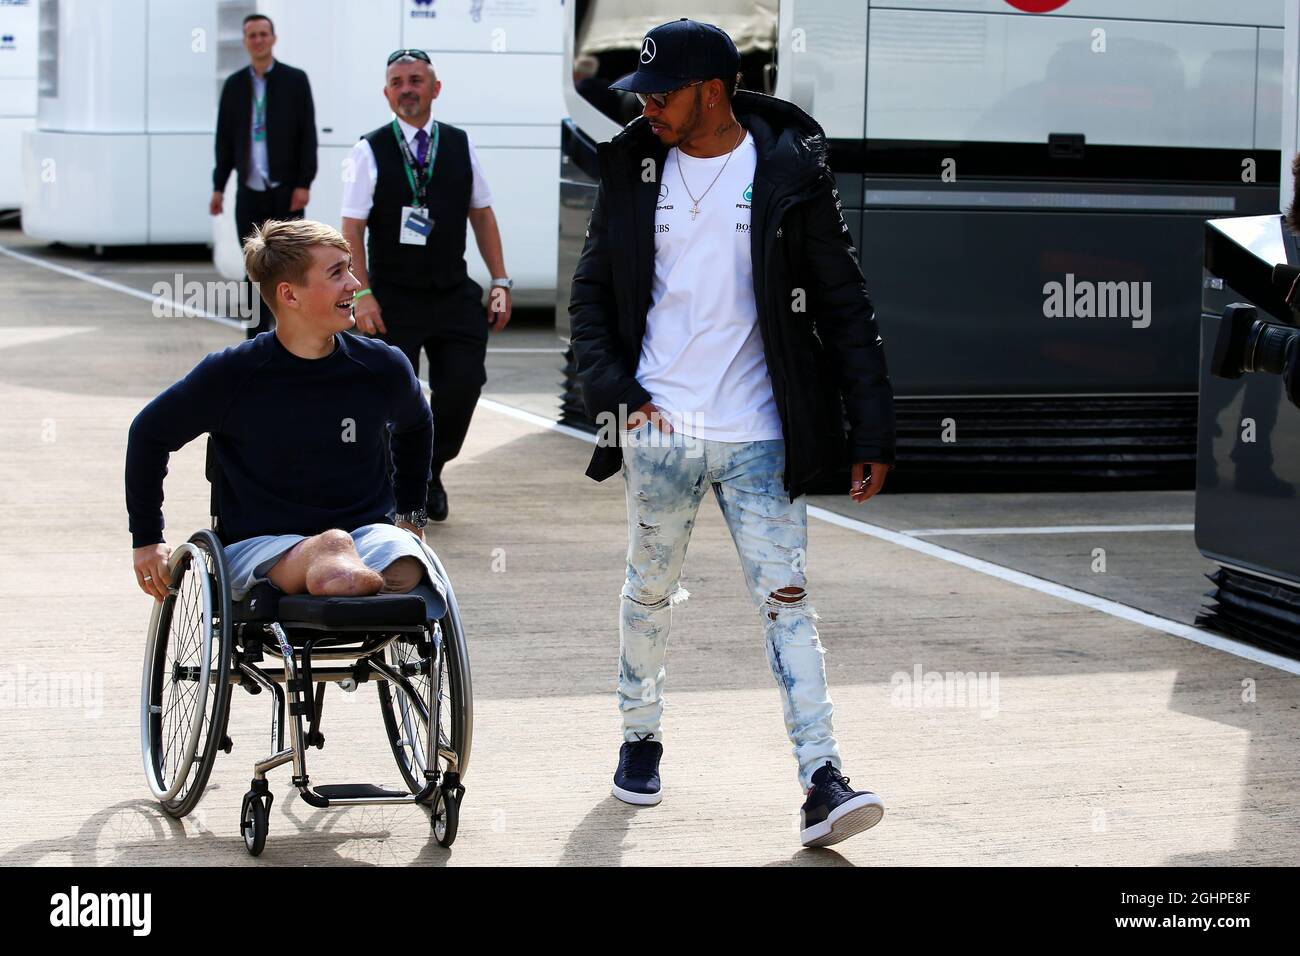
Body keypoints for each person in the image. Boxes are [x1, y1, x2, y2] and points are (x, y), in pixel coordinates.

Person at [568, 18, 896, 848]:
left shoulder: (788, 172)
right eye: (639, 92)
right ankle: (640, 738)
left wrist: (873, 429)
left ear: (713, 92)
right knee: (648, 592)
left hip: (760, 434)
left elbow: (844, 305)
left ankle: (823, 778)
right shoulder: (636, 167)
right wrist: (616, 391)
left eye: (661, 91)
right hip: (660, 432)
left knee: (788, 604)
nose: (646, 105)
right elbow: (592, 295)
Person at [127, 219, 438, 612]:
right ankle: (337, 575)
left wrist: (411, 515)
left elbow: (416, 424)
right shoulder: (231, 374)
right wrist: (147, 538)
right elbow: (148, 433)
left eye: (351, 268)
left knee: (411, 564)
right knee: (332, 547)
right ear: (290, 295)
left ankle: (342, 578)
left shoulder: (382, 366)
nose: (354, 283)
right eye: (337, 272)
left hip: (366, 536)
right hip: (261, 547)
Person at [341, 49, 512, 524]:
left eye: (416, 79)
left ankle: (431, 469)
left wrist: (499, 279)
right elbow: (351, 228)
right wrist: (361, 292)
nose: (406, 88)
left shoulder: (459, 144)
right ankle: (399, 484)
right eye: (397, 82)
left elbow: (482, 214)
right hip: (392, 294)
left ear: (435, 89)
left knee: (462, 386)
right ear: (386, 93)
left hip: (452, 290)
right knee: (393, 395)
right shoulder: (368, 149)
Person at [211, 13, 318, 339]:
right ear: (245, 42)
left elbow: (307, 135)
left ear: (273, 38)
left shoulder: (294, 80)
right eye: (251, 35)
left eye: (262, 34)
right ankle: (255, 336)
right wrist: (219, 187)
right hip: (250, 190)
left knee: (289, 265)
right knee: (254, 266)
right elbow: (224, 140)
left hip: (285, 190)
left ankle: (291, 330)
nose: (257, 40)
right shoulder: (235, 86)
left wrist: (304, 183)